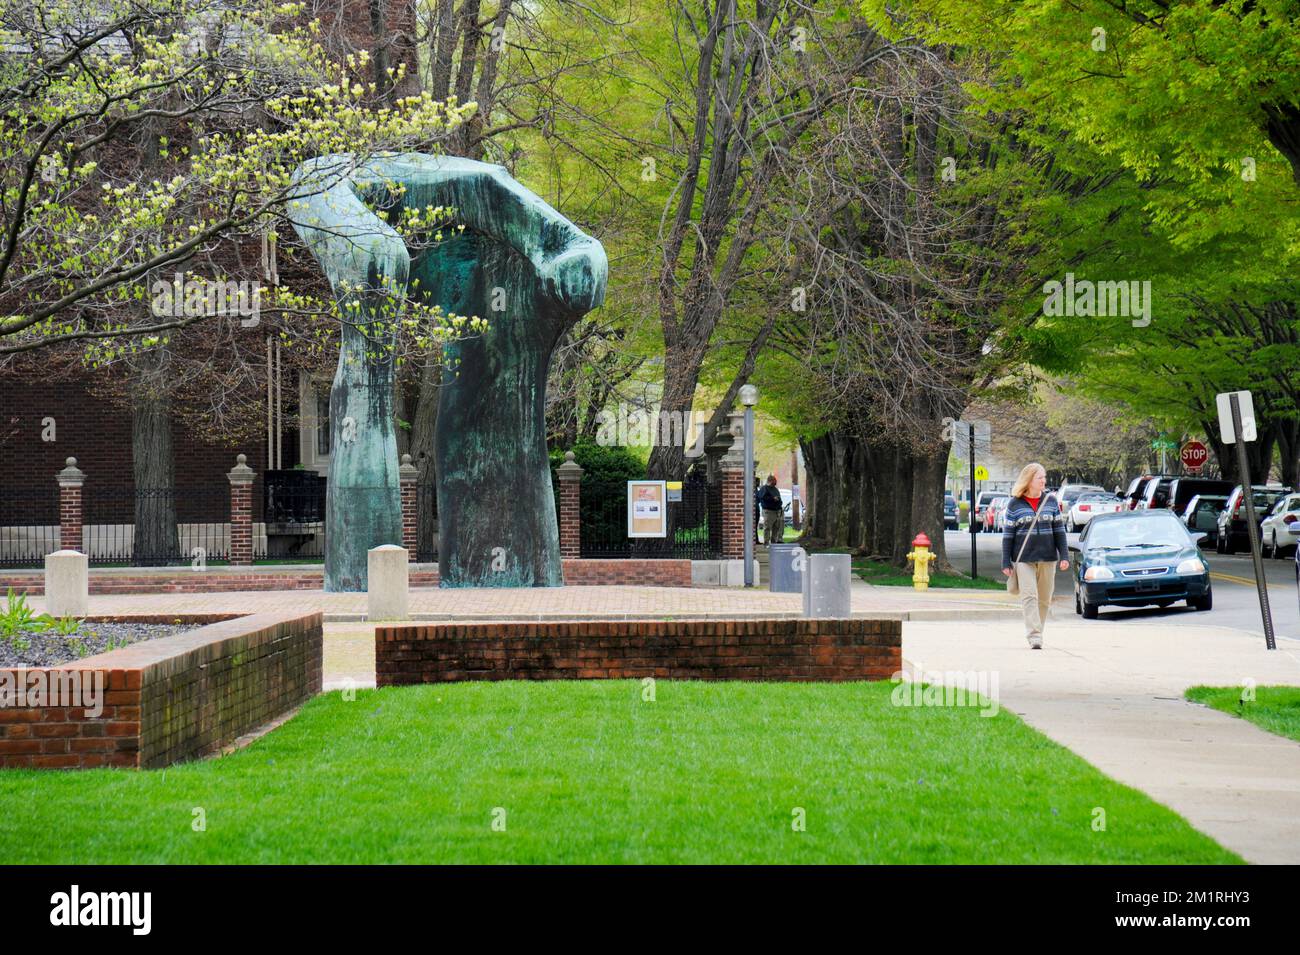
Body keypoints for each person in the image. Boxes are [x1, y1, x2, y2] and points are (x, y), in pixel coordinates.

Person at [1001, 462, 1070, 649]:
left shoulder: (1051, 501)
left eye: (1044, 477)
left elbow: (1059, 531)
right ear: (1029, 480)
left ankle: (1038, 629)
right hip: (1024, 559)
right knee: (1029, 596)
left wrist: (1064, 556)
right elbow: (1008, 535)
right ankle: (1034, 636)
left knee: (1044, 598)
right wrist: (1005, 561)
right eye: (1040, 477)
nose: (1044, 481)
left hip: (1048, 557)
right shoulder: (1014, 504)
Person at [758, 474, 785, 544]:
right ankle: (766, 542)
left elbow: (779, 498)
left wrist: (779, 502)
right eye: (774, 481)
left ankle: (774, 542)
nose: (775, 482)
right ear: (770, 481)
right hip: (768, 511)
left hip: (777, 511)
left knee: (776, 528)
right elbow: (762, 497)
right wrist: (772, 498)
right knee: (767, 527)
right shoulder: (764, 488)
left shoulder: (775, 489)